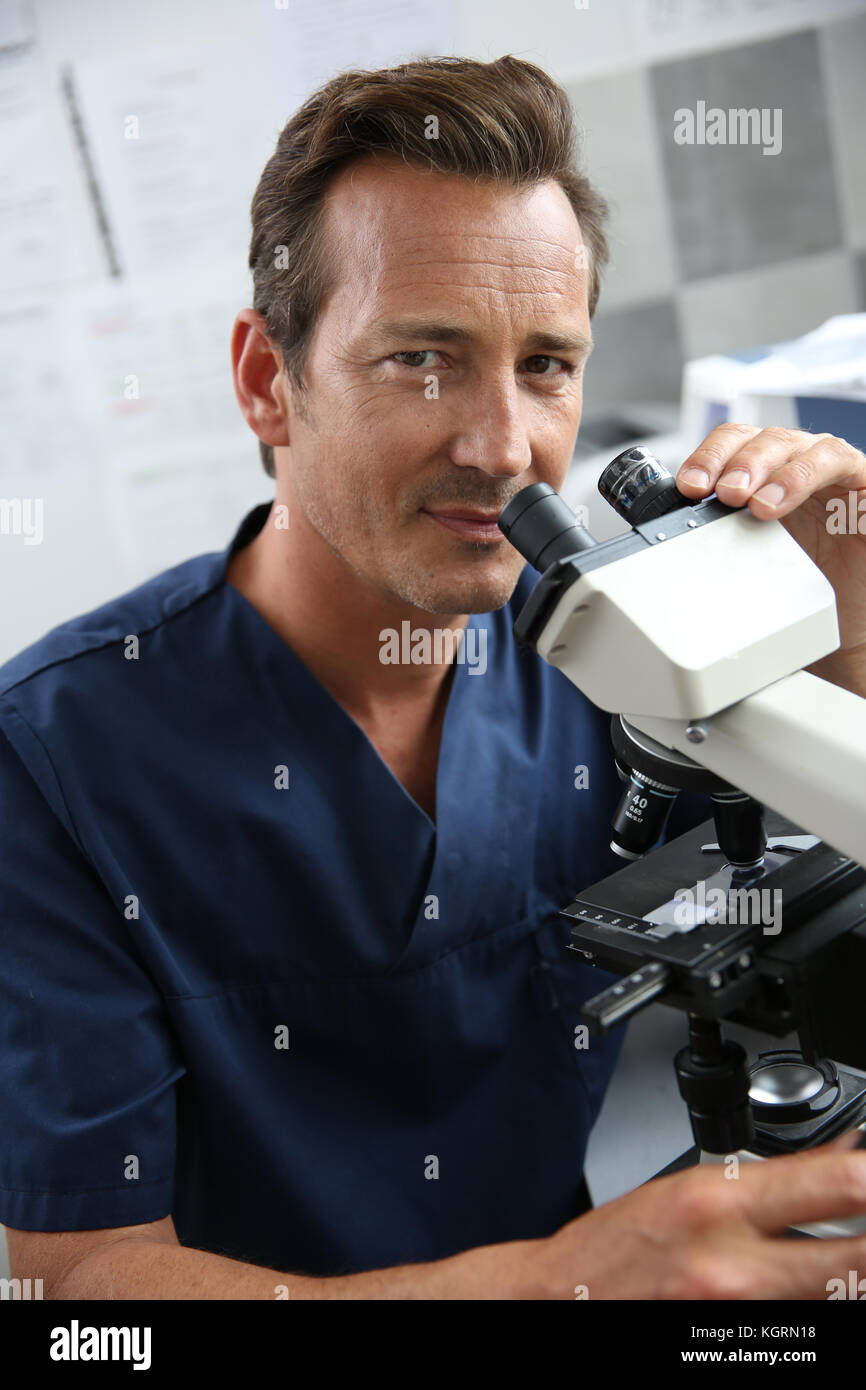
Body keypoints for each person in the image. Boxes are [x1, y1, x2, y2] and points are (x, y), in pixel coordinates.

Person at [3, 55, 866, 1301]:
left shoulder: (604, 648)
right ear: (267, 381)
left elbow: (797, 866)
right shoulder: (55, 757)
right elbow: (79, 1290)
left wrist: (838, 614)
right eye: (423, 358)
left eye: (545, 365)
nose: (504, 449)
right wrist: (557, 1285)